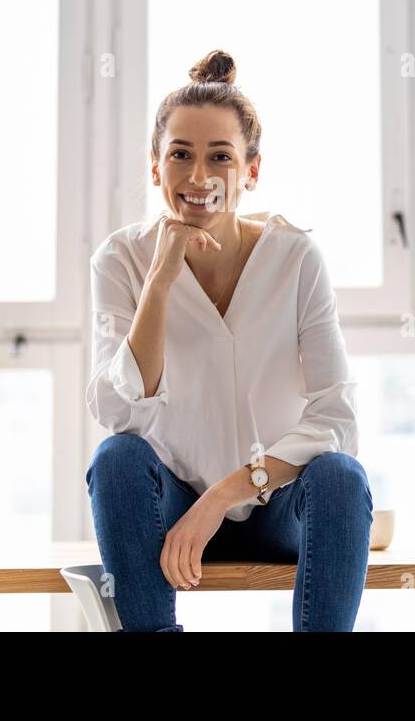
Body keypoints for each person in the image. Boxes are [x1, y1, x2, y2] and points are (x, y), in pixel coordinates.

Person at [84, 48, 373, 631]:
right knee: (116, 460)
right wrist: (161, 282)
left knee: (342, 476)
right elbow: (118, 411)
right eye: (180, 156)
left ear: (251, 171)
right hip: (170, 508)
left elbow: (336, 418)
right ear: (154, 165)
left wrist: (222, 497)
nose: (197, 178)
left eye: (220, 157)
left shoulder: (295, 257)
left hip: (278, 507)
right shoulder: (122, 259)